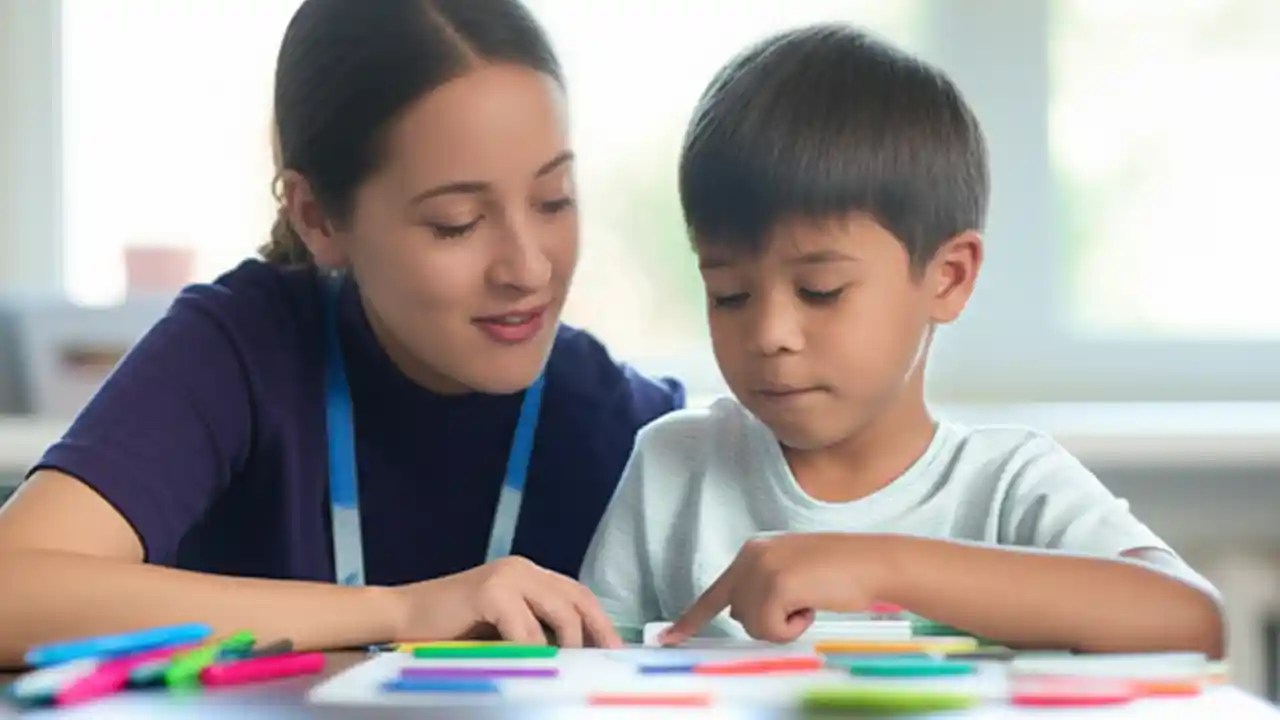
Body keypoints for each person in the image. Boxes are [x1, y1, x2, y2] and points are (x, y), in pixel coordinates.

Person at [0, 0, 683, 666]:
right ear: (319, 218)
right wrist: (404, 612)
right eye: (456, 222)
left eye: (553, 200)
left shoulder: (626, 422)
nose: (528, 267)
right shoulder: (240, 349)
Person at [580, 23, 1223, 657]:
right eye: (729, 295)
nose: (769, 334)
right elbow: (585, 671)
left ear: (948, 278)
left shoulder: (1006, 485)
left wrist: (880, 566)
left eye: (821, 291)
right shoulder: (674, 467)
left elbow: (1191, 619)